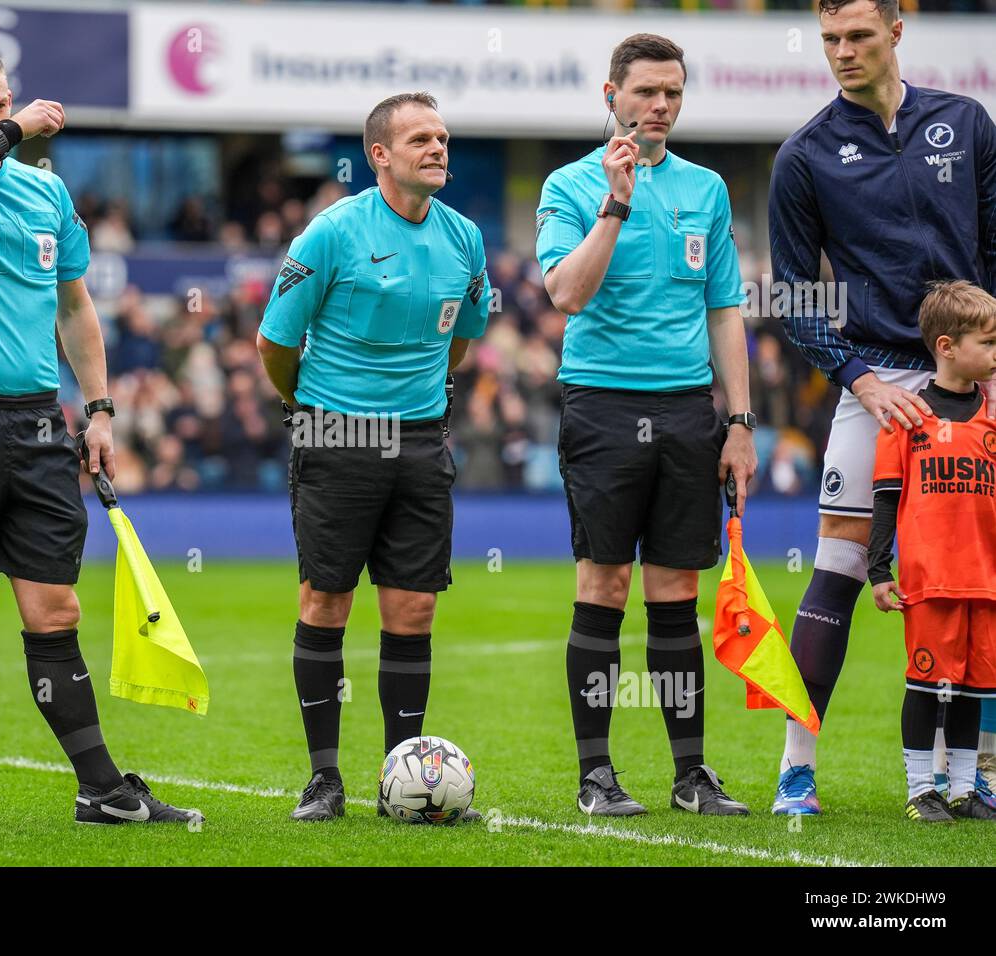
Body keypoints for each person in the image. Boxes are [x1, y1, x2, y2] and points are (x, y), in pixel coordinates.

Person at [0, 42, 201, 828]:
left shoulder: (46, 197)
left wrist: (98, 411)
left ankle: (100, 789)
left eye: (0, 105)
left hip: (36, 425)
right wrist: (11, 134)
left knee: (56, 609)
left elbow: (76, 308)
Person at [767, 0, 996, 814]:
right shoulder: (804, 156)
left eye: (858, 36)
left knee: (986, 575)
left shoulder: (967, 123)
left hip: (980, 379)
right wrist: (859, 380)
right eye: (829, 39)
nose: (842, 52)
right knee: (840, 568)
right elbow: (794, 299)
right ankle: (797, 766)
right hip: (881, 386)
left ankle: (976, 775)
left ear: (897, 32)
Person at [536, 34, 756, 817]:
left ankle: (691, 776)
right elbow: (568, 294)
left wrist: (739, 419)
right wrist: (616, 202)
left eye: (673, 92)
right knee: (604, 584)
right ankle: (597, 776)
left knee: (675, 592)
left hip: (688, 411)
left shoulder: (707, 188)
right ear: (611, 96)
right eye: (646, 93)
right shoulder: (569, 185)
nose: (660, 105)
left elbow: (724, 308)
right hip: (601, 405)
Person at [256, 92, 489, 821]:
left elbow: (465, 333)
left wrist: (427, 393)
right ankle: (323, 779)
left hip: (421, 438)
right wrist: (308, 412)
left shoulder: (465, 238)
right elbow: (274, 342)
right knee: (327, 600)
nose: (439, 148)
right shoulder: (331, 233)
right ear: (379, 156)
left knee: (414, 609)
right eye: (421, 138)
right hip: (336, 432)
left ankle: (404, 780)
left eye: (444, 137)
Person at [868, 280, 996, 822]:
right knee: (926, 686)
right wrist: (878, 568)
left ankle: (966, 791)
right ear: (947, 346)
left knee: (972, 689)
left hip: (985, 583)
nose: (995, 353)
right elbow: (885, 496)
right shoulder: (907, 417)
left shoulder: (992, 420)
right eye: (987, 343)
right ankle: (922, 789)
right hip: (931, 580)